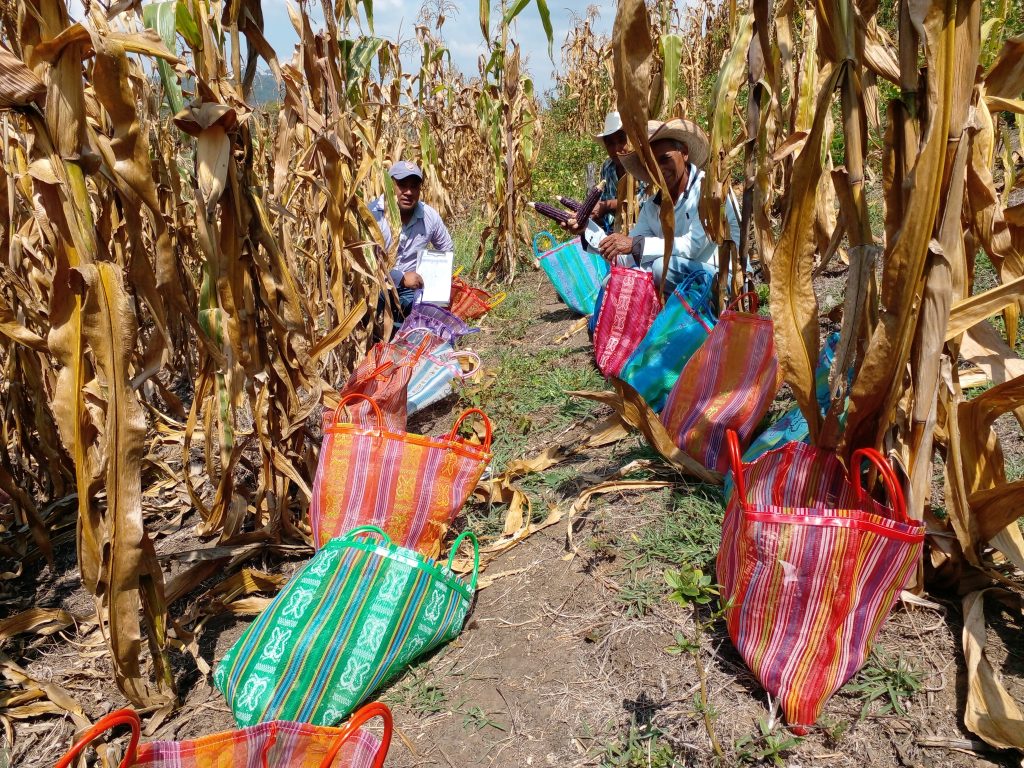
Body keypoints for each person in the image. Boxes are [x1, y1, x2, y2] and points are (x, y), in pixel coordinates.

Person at [596, 119, 741, 294]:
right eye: (651, 164)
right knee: (613, 280)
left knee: (661, 268)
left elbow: (692, 248)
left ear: (684, 153)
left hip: (725, 278)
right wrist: (592, 235)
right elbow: (625, 256)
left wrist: (635, 245)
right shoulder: (652, 206)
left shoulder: (710, 191)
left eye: (664, 159)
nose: (659, 169)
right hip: (683, 275)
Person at [370, 160, 453, 316]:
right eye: (402, 185)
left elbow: (446, 248)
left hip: (412, 289)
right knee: (368, 309)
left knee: (430, 316)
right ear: (389, 186)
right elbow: (364, 261)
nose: (408, 192)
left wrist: (435, 279)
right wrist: (400, 277)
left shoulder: (429, 216)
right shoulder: (373, 215)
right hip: (377, 284)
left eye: (414, 186)